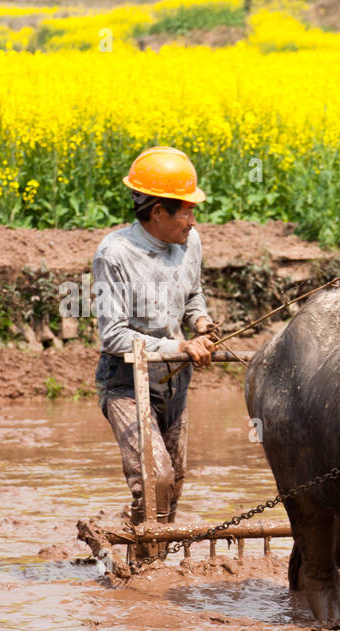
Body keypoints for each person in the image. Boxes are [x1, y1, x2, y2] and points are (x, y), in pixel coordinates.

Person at [92, 146, 216, 556]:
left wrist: (200, 322)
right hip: (127, 381)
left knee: (174, 481)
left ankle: (148, 564)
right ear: (157, 212)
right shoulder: (115, 255)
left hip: (174, 378)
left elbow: (193, 294)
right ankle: (145, 572)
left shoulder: (190, 241)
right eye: (185, 211)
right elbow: (113, 335)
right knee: (154, 478)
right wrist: (179, 344)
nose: (193, 220)